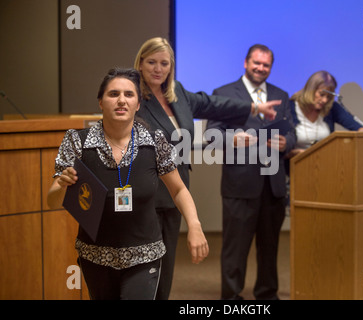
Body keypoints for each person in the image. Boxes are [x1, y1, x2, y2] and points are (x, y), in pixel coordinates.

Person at [133, 37, 280, 300]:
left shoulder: (176, 93)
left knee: (165, 267)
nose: (158, 69)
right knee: (145, 266)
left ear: (171, 66)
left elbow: (214, 104)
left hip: (176, 193)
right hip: (146, 193)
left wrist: (254, 107)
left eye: (164, 63)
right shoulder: (133, 95)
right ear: (141, 63)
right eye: (152, 62)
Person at [47, 67, 209, 300]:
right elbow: (52, 201)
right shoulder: (77, 141)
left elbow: (178, 189)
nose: (121, 100)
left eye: (129, 94)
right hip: (95, 256)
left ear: (138, 104)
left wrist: (194, 225)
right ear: (100, 102)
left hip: (145, 256)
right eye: (113, 94)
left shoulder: (154, 141)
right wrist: (61, 186)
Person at [206, 44, 296, 300]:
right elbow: (212, 135)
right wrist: (233, 139)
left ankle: (267, 294)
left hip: (274, 185)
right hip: (240, 184)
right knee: (235, 248)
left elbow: (291, 133)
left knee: (270, 248)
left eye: (266, 65)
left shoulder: (281, 94)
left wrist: (286, 143)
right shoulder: (223, 93)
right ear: (245, 63)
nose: (260, 68)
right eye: (256, 63)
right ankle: (232, 297)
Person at [285, 70, 363, 160]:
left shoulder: (332, 108)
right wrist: (293, 153)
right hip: (294, 167)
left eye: (328, 97)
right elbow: (278, 149)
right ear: (310, 89)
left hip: (325, 165)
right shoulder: (289, 107)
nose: (324, 100)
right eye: (322, 94)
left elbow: (357, 126)